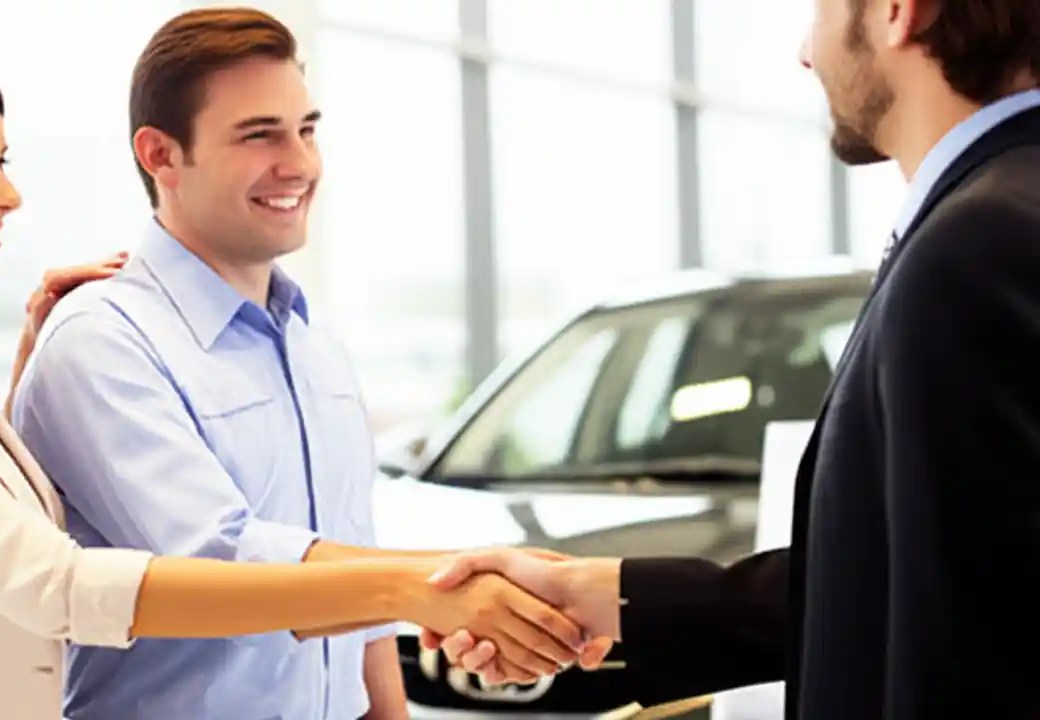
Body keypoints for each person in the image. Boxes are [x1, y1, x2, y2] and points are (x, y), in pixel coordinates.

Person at [0, 43, 587, 720]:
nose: (8, 194)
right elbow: (56, 582)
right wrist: (420, 586)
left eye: (2, 161)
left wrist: (23, 379)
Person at [425, 1, 1040, 718]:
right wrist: (612, 597)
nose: (806, 54)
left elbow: (980, 651)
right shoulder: (994, 217)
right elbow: (907, 580)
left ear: (898, 12)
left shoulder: (976, 248)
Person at [9, 9, 582, 718]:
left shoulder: (315, 345)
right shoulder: (102, 343)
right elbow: (220, 566)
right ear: (160, 155)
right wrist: (443, 583)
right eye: (260, 135)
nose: (300, 163)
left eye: (306, 129)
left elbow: (353, 573)